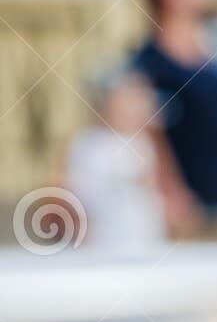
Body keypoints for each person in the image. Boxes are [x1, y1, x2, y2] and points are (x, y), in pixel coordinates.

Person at [131, 0, 217, 239]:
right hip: (187, 202)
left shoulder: (212, 46)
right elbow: (149, 134)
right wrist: (170, 192)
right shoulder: (149, 61)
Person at [63, 70, 166, 253]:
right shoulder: (89, 144)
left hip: (146, 241)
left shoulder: (143, 143)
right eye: (129, 102)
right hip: (103, 245)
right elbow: (78, 195)